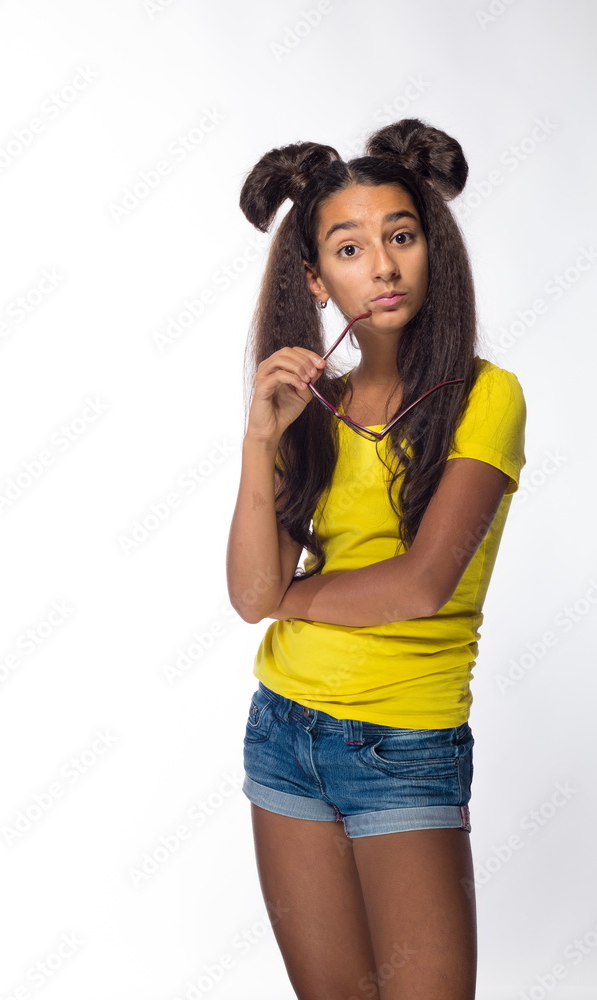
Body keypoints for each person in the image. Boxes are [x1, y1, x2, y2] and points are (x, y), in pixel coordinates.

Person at [226, 118, 526, 1000]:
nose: (383, 266)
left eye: (399, 236)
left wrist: (293, 597)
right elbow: (251, 594)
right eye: (350, 247)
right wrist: (258, 439)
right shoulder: (310, 409)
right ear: (317, 279)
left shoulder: (486, 396)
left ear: (431, 248)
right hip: (284, 733)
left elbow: (423, 583)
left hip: (405, 739)